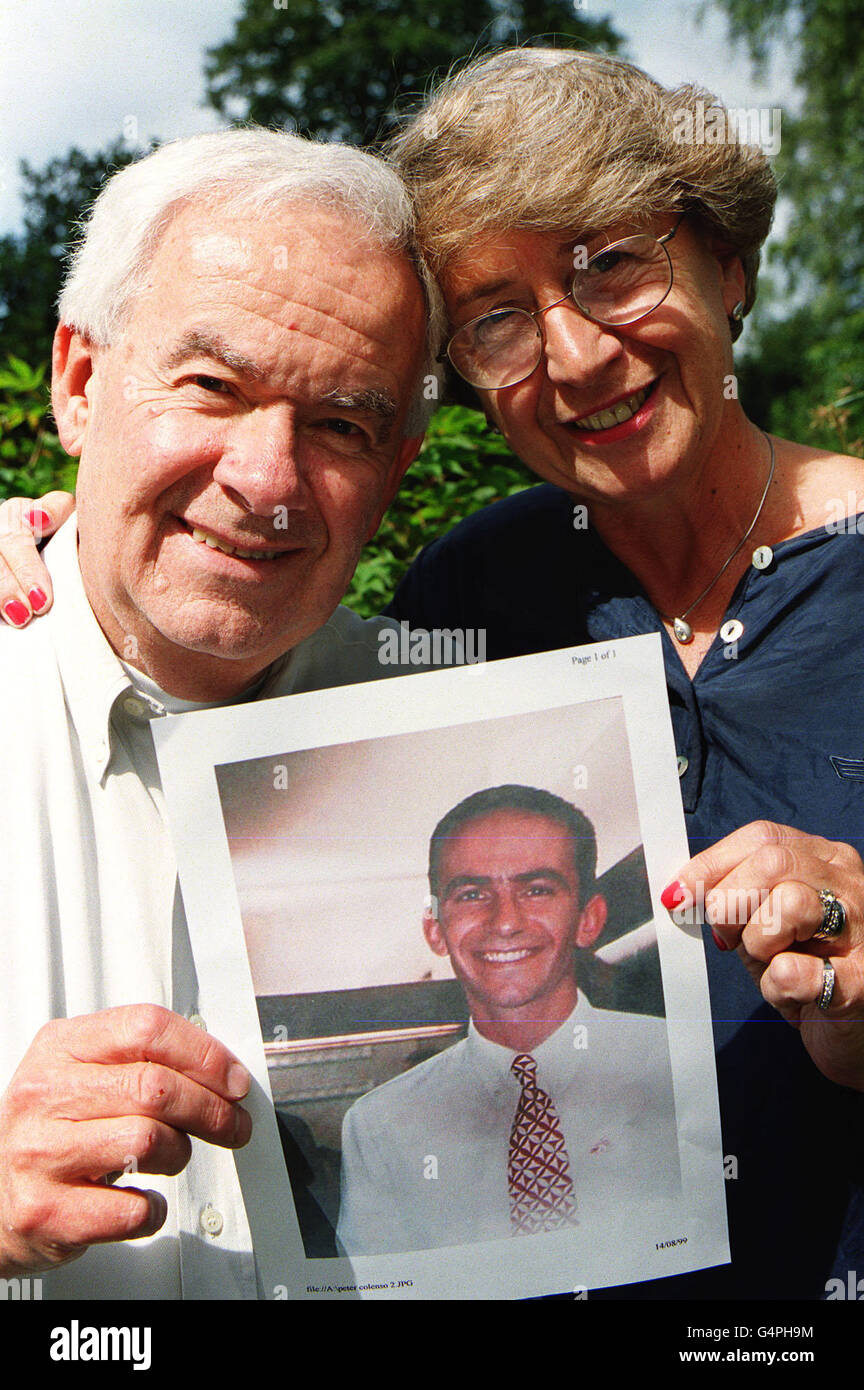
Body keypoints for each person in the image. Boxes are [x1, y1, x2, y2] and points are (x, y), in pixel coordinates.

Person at [5, 47, 864, 1299]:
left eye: (613, 264)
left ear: (727, 264)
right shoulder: (478, 602)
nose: (572, 357)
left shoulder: (392, 652)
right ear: (81, 382)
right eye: (497, 320)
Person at [0, 125, 444, 1299]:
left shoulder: (461, 732)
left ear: (399, 464)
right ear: (81, 382)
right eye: (213, 387)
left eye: (343, 424)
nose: (266, 479)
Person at [337, 784, 679, 1257]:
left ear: (588, 919)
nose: (504, 922)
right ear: (435, 929)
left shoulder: (682, 1062)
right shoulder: (378, 1128)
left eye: (536, 889)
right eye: (473, 893)